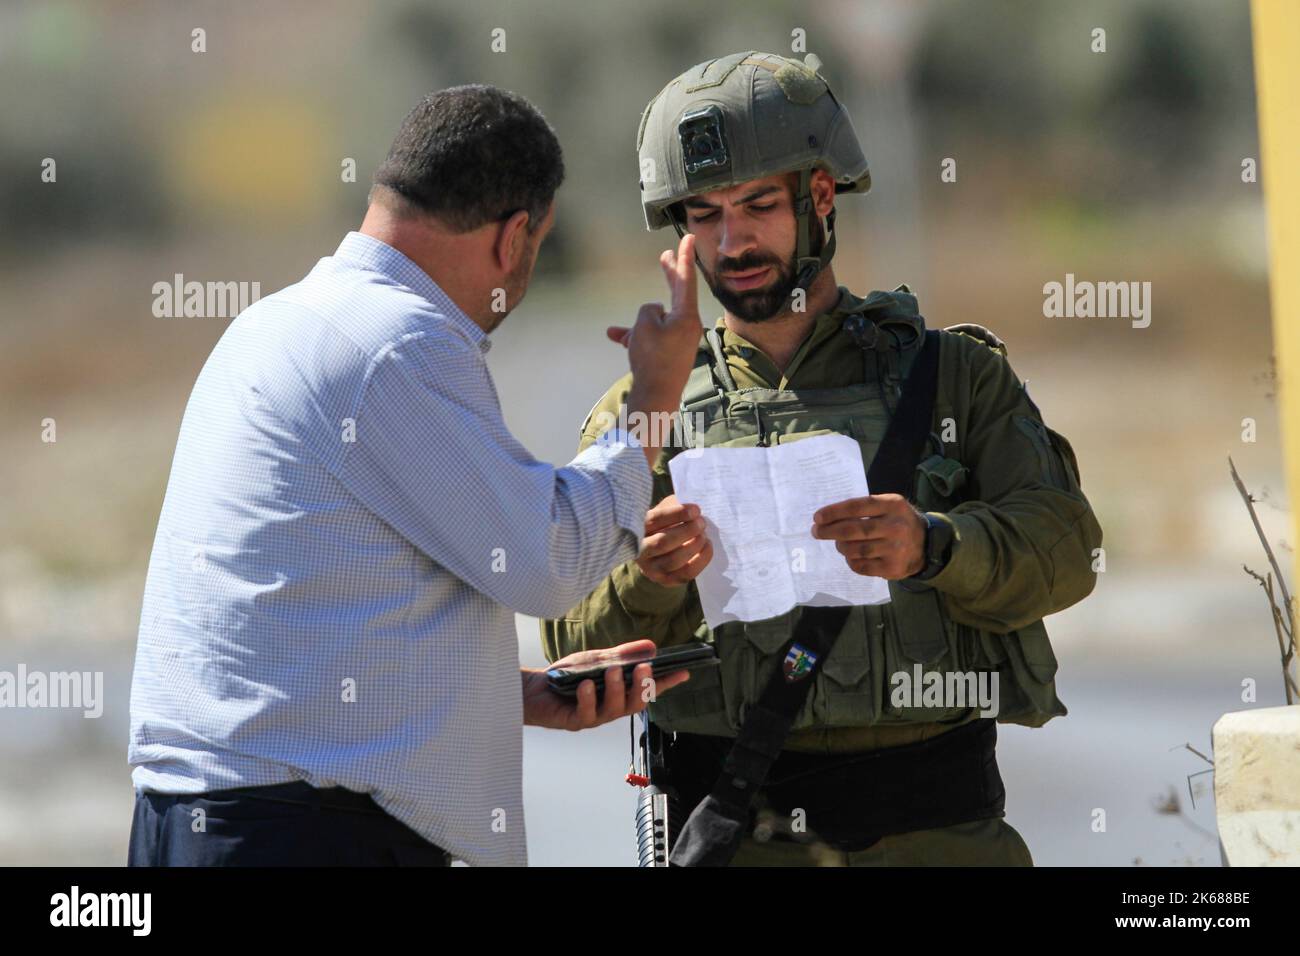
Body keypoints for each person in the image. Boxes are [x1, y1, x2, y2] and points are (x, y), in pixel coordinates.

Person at [541, 52, 1104, 866]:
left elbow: (1068, 552)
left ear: (820, 195)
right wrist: (652, 579)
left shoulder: (953, 378)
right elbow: (566, 640)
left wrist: (934, 545)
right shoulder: (646, 407)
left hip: (936, 832)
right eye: (704, 214)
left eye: (758, 205)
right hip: (737, 833)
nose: (731, 242)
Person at [127, 84, 702, 867]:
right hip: (300, 839)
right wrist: (656, 396)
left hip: (212, 826)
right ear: (512, 239)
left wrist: (507, 697)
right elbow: (545, 561)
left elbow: (308, 611)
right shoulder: (395, 344)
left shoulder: (277, 323)